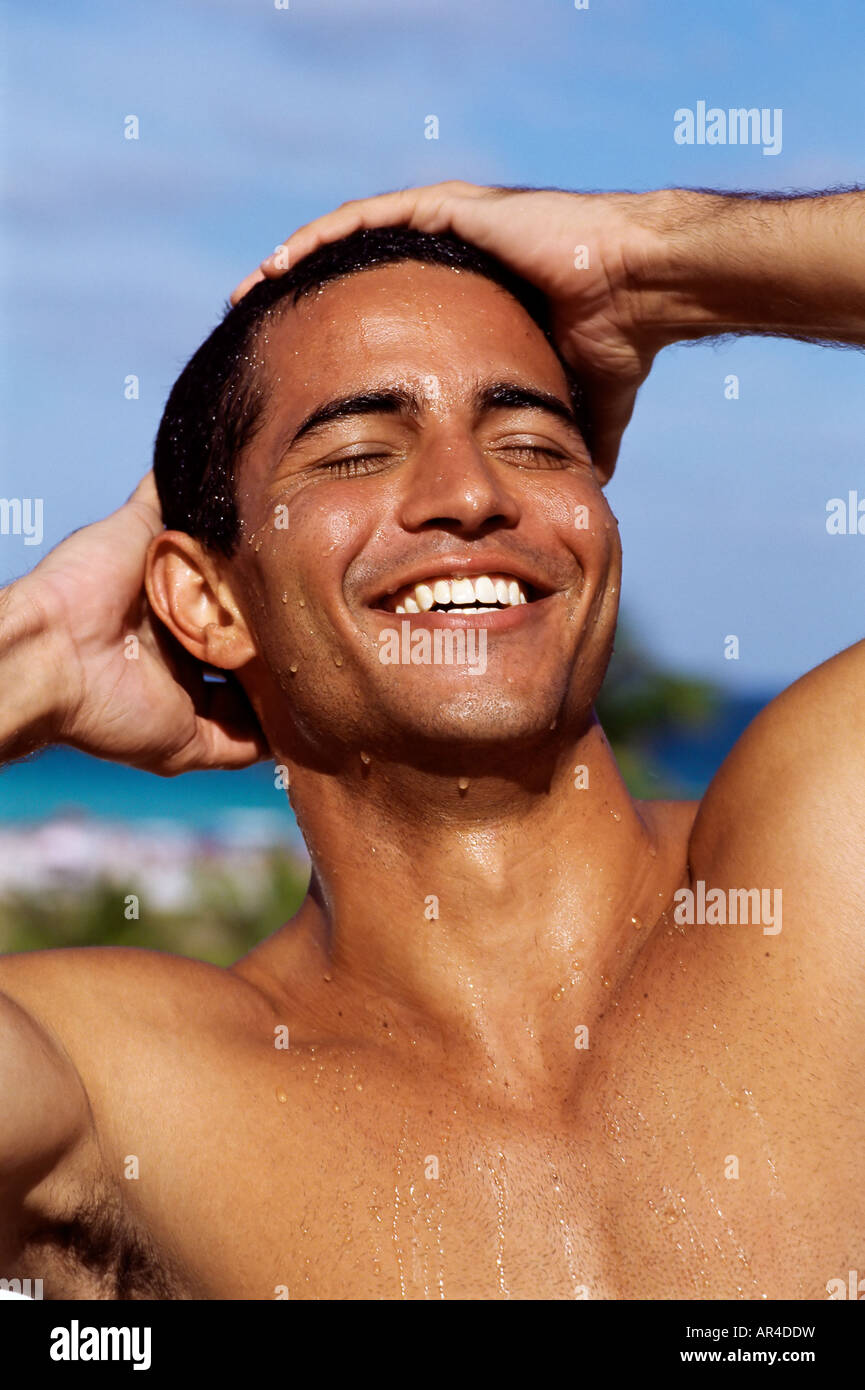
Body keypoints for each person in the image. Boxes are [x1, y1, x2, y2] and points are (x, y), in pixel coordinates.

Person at [1, 182, 862, 1300]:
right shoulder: (134, 1090)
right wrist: (29, 656)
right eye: (357, 452)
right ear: (208, 601)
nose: (470, 492)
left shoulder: (826, 862)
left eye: (534, 441)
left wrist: (650, 268)